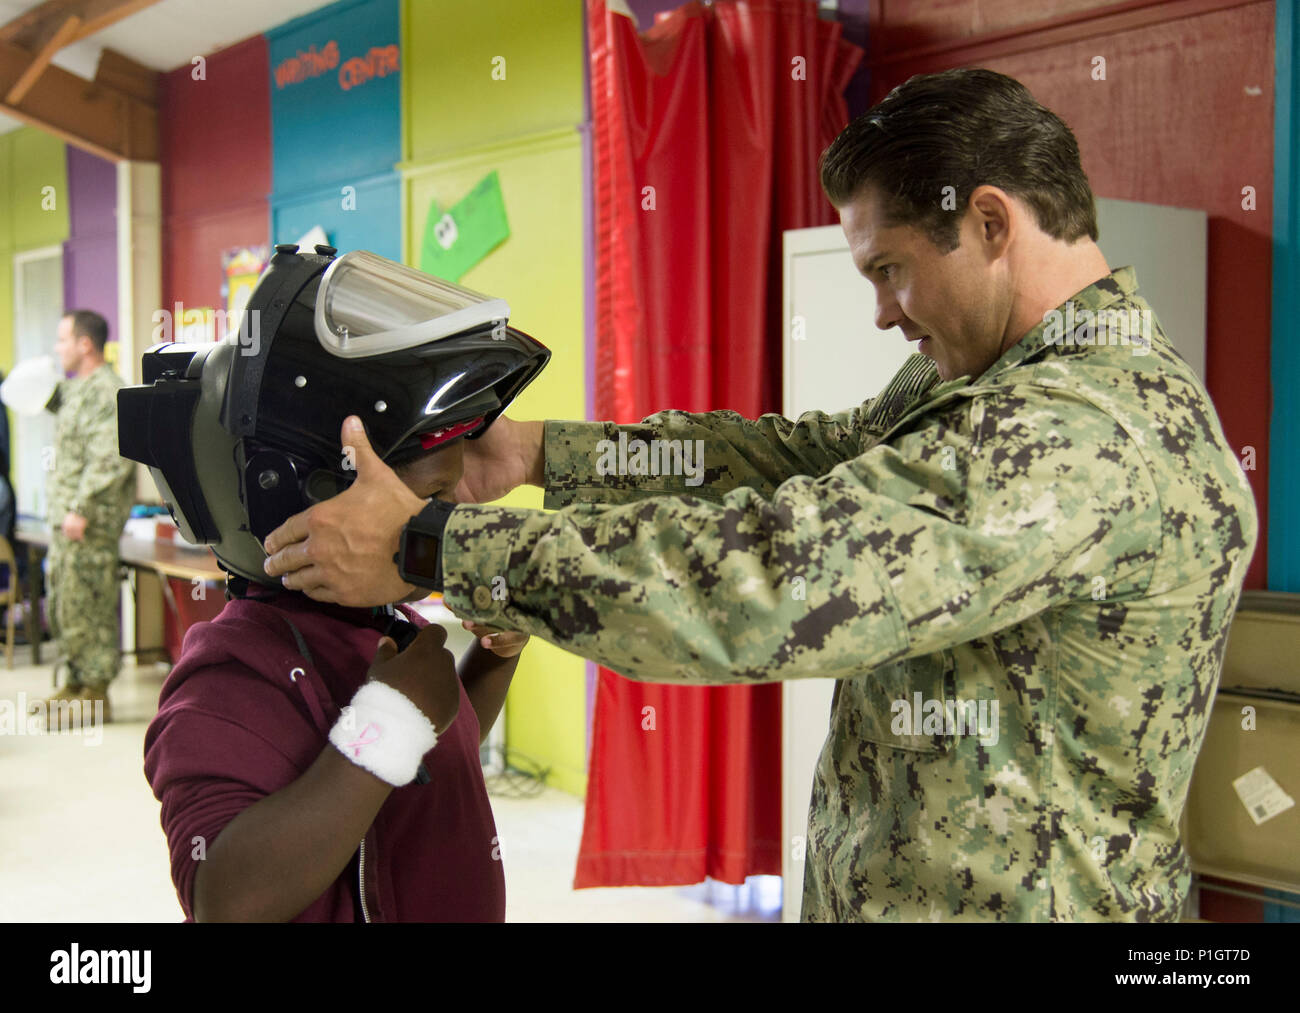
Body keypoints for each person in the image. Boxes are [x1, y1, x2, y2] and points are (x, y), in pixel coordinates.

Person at [261, 69, 1259, 922]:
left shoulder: (1078, 431)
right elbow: (793, 459)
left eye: (892, 271)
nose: (879, 313)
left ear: (990, 221)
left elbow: (771, 580)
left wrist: (438, 545)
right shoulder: (986, 383)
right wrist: (536, 456)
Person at [129, 245, 546, 921]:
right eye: (433, 498)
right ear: (311, 501)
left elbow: (433, 746)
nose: (458, 523)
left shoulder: (385, 621)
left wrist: (496, 659)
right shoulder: (229, 675)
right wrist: (389, 721)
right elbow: (226, 899)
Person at [41, 310, 134, 720]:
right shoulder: (78, 391)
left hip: (88, 520)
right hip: (65, 520)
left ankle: (97, 690)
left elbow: (109, 458)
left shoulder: (107, 391)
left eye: (63, 340)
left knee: (89, 601)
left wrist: (81, 509)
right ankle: (75, 682)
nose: (58, 349)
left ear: (85, 344)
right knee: (66, 600)